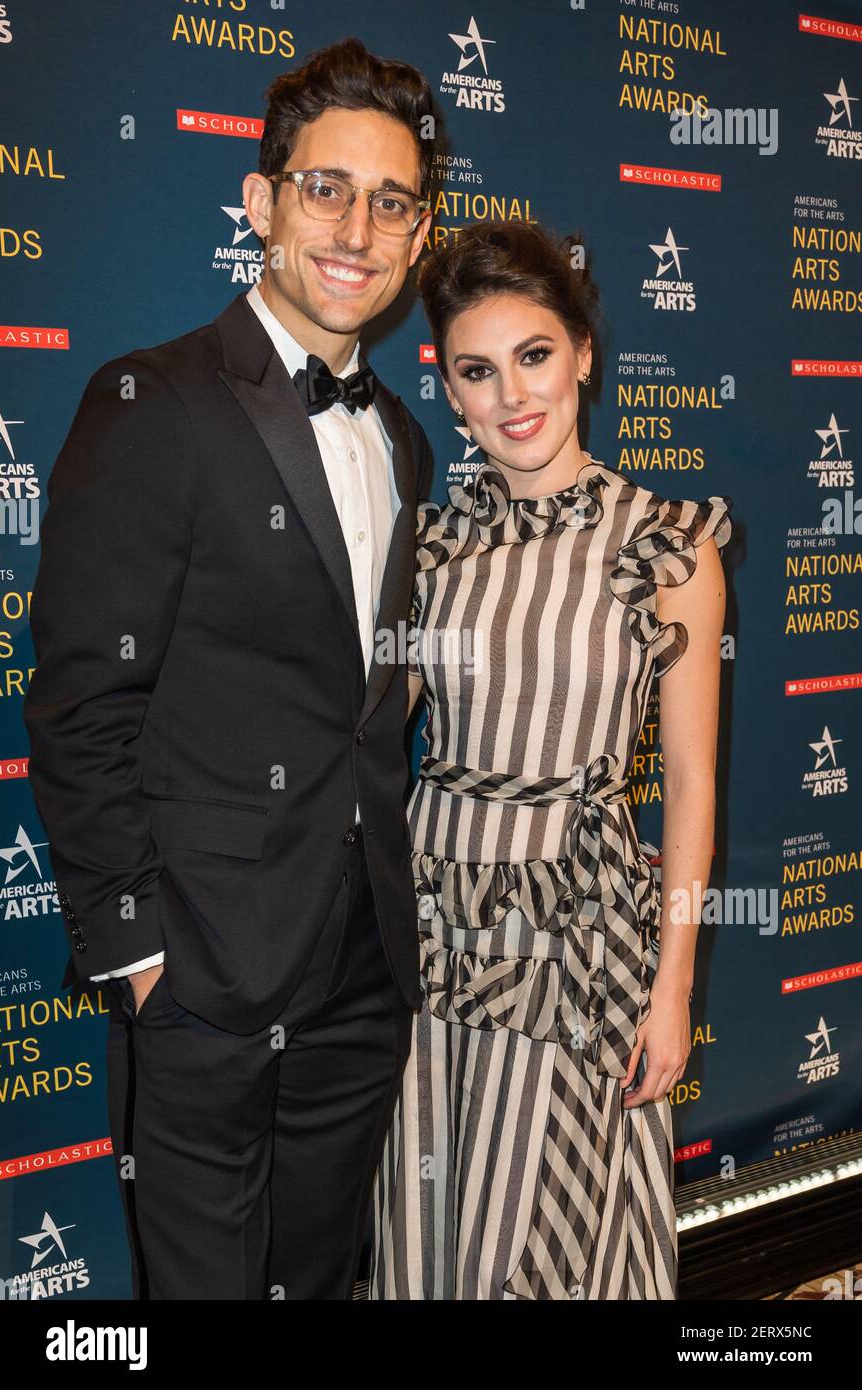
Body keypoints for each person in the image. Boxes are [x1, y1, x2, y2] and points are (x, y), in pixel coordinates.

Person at [23, 37, 439, 1300]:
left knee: (320, 1280)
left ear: (420, 235)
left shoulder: (406, 439)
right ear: (260, 203)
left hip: (359, 965)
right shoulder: (152, 401)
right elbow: (82, 700)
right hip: (200, 971)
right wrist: (138, 951)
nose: (357, 227)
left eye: (392, 201)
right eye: (326, 188)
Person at [369, 219, 732, 1300]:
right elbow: (374, 740)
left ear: (582, 351)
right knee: (430, 1220)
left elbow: (693, 787)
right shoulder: (434, 545)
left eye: (533, 355)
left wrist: (669, 992)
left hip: (580, 937)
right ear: (447, 385)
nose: (509, 396)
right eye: (475, 371)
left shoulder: (662, 542)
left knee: (543, 1237)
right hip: (432, 925)